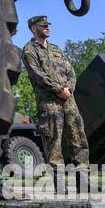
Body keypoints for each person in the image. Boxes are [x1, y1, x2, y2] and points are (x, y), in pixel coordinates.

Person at [20, 16, 89, 183]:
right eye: (43, 26)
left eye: (47, 25)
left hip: (69, 101)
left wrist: (69, 88)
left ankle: (84, 179)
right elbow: (38, 75)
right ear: (33, 28)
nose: (47, 28)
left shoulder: (56, 49)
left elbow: (70, 71)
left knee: (78, 138)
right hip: (49, 103)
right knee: (53, 141)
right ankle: (57, 181)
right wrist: (58, 90)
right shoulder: (29, 50)